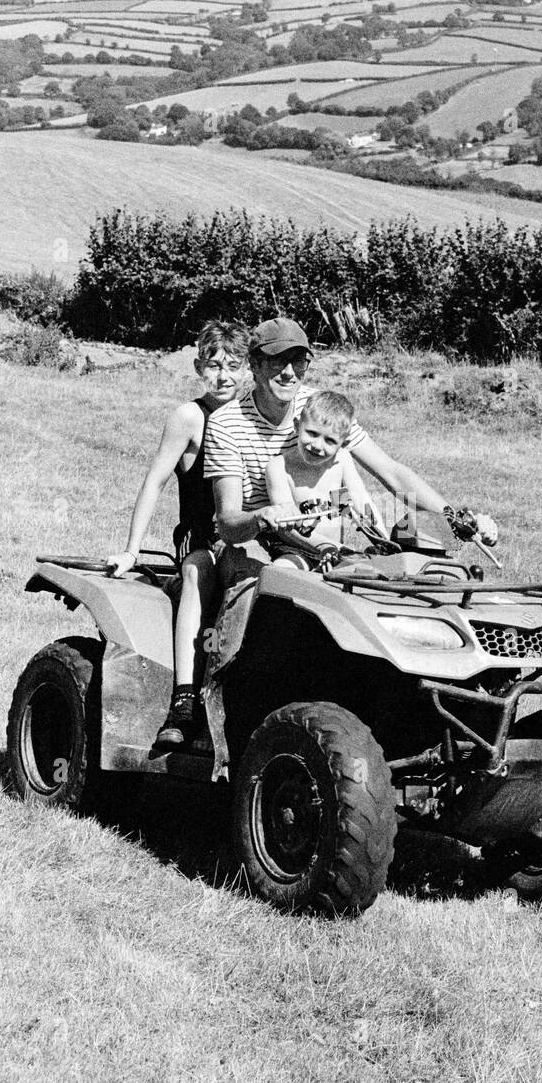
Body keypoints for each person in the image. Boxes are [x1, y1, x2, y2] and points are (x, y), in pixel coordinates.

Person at [200, 316, 497, 770]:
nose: (288, 372)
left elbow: (393, 474)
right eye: (277, 361)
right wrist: (264, 517)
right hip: (256, 544)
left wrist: (457, 518)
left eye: (298, 361)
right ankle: (220, 716)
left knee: (402, 585)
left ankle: (419, 711)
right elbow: (227, 523)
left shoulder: (320, 410)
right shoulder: (226, 424)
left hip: (326, 545)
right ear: (256, 366)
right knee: (258, 595)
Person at [105, 319, 248, 746]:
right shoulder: (189, 416)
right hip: (200, 535)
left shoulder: (254, 416)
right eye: (213, 366)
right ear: (197, 366)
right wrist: (132, 551)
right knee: (198, 570)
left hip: (244, 536)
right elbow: (155, 481)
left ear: (248, 369)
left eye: (234, 366)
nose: (224, 377)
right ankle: (183, 700)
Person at [264, 389, 385, 563]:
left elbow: (362, 503)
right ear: (297, 426)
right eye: (312, 433)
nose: (317, 446)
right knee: (283, 570)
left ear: (342, 442)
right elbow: (286, 525)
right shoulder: (279, 467)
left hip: (338, 552)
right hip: (297, 549)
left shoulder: (341, 460)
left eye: (330, 441)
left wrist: (384, 541)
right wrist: (328, 548)